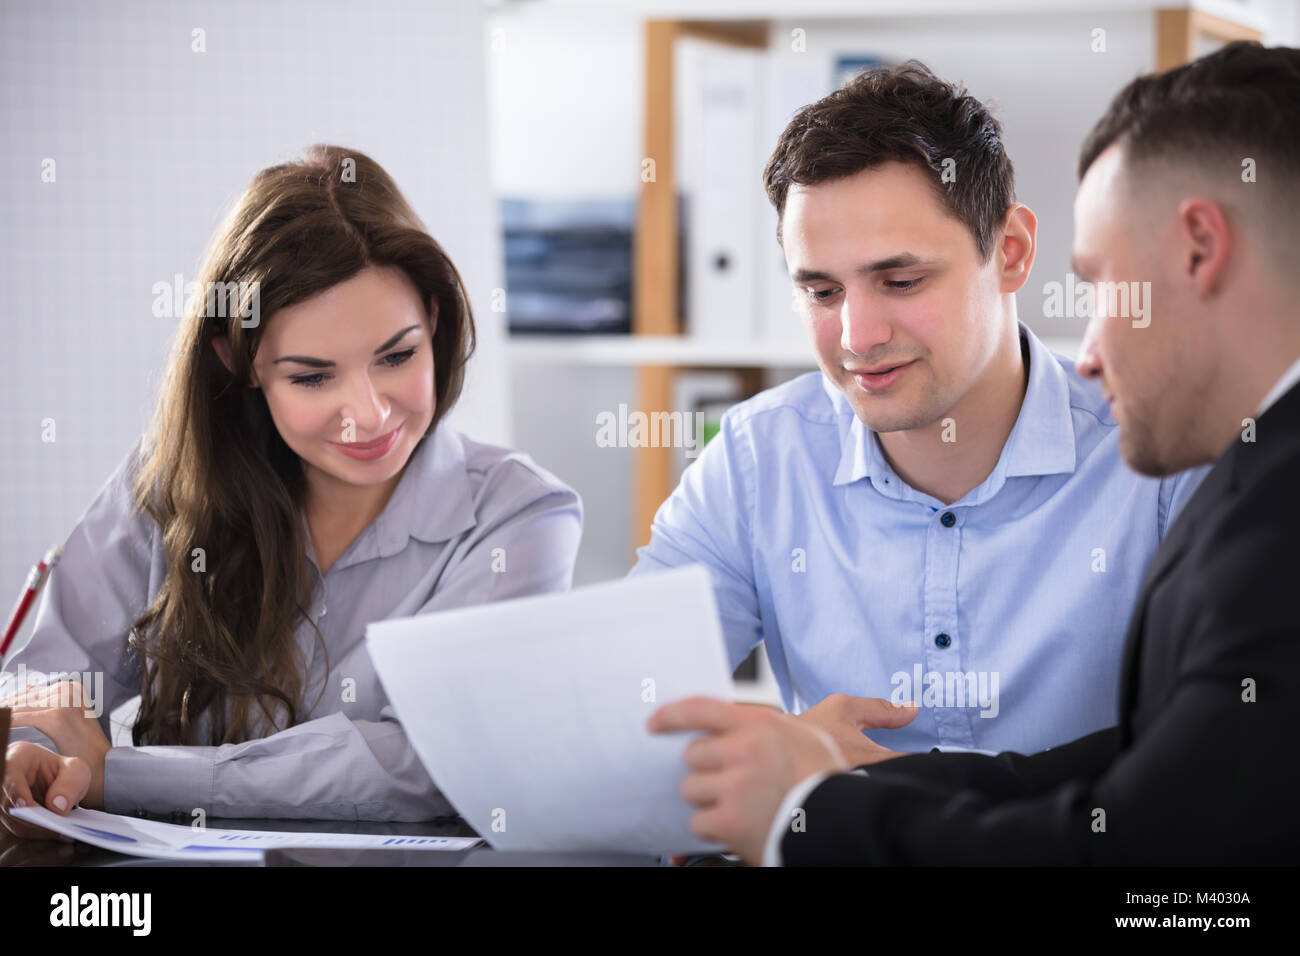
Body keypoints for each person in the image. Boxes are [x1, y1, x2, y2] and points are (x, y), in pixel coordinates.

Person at [650, 41, 1300, 865]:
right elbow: (619, 707)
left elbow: (1165, 836)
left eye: (902, 280)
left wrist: (812, 813)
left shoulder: (1196, 455)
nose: (856, 337)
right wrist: (804, 781)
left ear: (1013, 254)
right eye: (820, 291)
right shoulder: (753, 457)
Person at [0, 144, 582, 839]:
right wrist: (40, 758)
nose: (367, 414)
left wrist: (123, 774)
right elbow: (39, 688)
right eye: (312, 376)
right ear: (237, 361)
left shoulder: (521, 517)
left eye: (397, 356)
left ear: (434, 318)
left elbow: (432, 759)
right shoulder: (166, 483)